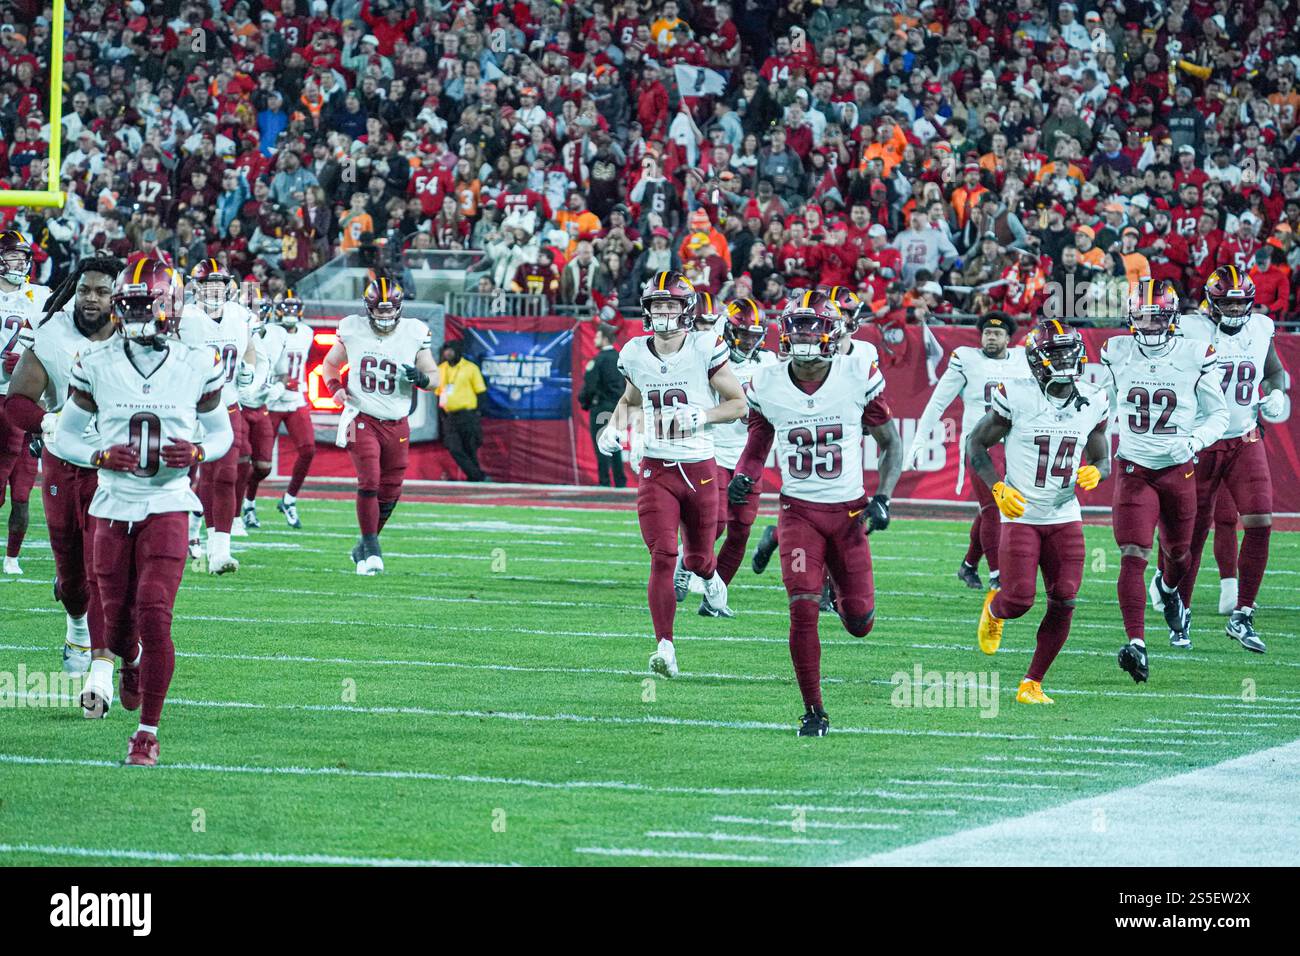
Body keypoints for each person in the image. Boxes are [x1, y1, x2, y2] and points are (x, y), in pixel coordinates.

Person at [58, 259, 233, 765]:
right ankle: (127, 661)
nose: (135, 315)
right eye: (128, 304)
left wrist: (198, 453)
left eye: (145, 304)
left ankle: (146, 733)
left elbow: (221, 433)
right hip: (112, 502)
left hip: (168, 502)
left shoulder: (197, 363)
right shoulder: (95, 362)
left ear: (170, 306)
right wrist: (97, 456)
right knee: (115, 627)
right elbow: (66, 434)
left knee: (155, 612)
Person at [727, 289, 902, 736]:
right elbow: (757, 444)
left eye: (815, 327)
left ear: (833, 333)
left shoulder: (857, 372)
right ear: (784, 333)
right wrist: (744, 475)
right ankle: (813, 710)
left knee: (860, 622)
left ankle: (839, 593)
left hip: (847, 515)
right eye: (798, 327)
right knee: (802, 606)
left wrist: (883, 496)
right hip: (799, 512)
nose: (805, 336)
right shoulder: (767, 380)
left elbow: (890, 444)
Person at [597, 271, 746, 677]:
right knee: (663, 556)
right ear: (647, 309)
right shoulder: (634, 352)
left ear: (686, 309)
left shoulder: (704, 346)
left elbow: (739, 405)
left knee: (697, 558)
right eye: (657, 305)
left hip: (699, 466)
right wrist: (614, 425)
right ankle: (665, 646)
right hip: (657, 467)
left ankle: (711, 577)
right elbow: (630, 399)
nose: (663, 312)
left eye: (671, 305)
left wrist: (703, 416)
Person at [965, 321, 1111, 704]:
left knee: (1065, 596)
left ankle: (1032, 682)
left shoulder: (1093, 399)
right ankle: (995, 610)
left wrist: (1099, 470)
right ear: (1037, 360)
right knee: (1019, 601)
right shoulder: (1016, 395)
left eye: (1070, 351)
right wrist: (997, 487)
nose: (1066, 360)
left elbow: (1102, 455)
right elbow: (975, 444)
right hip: (1021, 512)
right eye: (1057, 352)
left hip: (1064, 513)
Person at [1102, 277, 1229, 682]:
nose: (1150, 326)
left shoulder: (1195, 353)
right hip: (1134, 468)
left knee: (1178, 555)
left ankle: (1171, 590)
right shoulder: (1117, 352)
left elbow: (1220, 415)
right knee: (1132, 554)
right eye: (1142, 317)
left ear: (1172, 317)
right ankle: (1136, 642)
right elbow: (1102, 405)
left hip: (1178, 469)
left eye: (1157, 318)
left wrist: (1193, 441)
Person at [2, 257, 122, 673]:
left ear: (117, 296)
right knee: (72, 579)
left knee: (101, 569)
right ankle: (76, 626)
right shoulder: (53, 334)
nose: (91, 298)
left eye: (102, 291)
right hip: (63, 463)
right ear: (74, 289)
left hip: (114, 468)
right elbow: (17, 403)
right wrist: (48, 422)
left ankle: (106, 668)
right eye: (85, 289)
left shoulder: (134, 337)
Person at [1172, 267, 1287, 652]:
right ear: (1212, 303)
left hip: (1245, 437)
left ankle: (1243, 613)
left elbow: (1274, 371)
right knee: (1194, 531)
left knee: (1260, 521)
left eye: (1241, 302)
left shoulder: (1261, 327)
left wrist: (1273, 392)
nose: (1236, 310)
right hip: (1202, 440)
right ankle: (1181, 611)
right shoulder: (1190, 329)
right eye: (1228, 302)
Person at [905, 312, 1031, 593]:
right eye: (987, 333)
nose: (991, 337)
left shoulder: (1023, 359)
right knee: (995, 507)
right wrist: (918, 441)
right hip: (980, 447)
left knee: (993, 509)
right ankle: (998, 575)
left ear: (1008, 339)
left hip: (1014, 447)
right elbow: (938, 403)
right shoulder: (966, 359)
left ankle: (969, 565)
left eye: (997, 334)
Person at [320, 277, 437, 574]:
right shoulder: (353, 328)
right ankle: (372, 550)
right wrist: (335, 387)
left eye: (389, 311)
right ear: (368, 308)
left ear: (399, 308)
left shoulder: (414, 332)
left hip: (397, 421)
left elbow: (433, 376)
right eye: (379, 311)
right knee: (369, 479)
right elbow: (330, 365)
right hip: (361, 415)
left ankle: (364, 545)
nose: (384, 317)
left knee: (391, 490)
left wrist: (422, 379)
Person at [180, 259, 260, 574]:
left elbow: (250, 349)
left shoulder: (241, 315)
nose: (214, 290)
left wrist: (250, 372)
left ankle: (219, 552)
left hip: (226, 405)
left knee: (225, 475)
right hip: (188, 408)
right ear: (196, 287)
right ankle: (188, 535)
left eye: (219, 284)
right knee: (185, 478)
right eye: (207, 284)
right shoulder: (183, 317)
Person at [709, 297, 777, 591]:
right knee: (716, 523)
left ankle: (716, 596)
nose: (749, 341)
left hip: (748, 456)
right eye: (743, 334)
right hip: (714, 451)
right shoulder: (712, 356)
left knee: (740, 531)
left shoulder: (769, 362)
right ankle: (687, 564)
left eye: (753, 335)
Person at [0, 230, 52, 575]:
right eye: (12, 256)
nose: (19, 263)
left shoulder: (42, 295)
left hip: (25, 399)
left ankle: (12, 557)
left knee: (22, 489)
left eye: (22, 257)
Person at [261, 291, 317, 528]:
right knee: (260, 462)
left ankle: (289, 499)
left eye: (295, 309)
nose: (291, 314)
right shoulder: (270, 332)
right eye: (287, 309)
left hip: (296, 399)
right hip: (272, 399)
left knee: (308, 450)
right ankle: (249, 504)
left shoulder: (307, 332)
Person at [578, 322, 626, 488]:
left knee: (602, 446)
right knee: (615, 446)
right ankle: (620, 483)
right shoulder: (621, 358)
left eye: (597, 336)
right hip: (618, 408)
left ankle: (604, 483)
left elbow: (589, 387)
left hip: (601, 408)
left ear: (605, 339)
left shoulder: (598, 360)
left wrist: (584, 402)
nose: (594, 339)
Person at [435, 340, 488, 482]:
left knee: (470, 448)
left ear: (458, 351)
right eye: (445, 350)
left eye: (451, 350)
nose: (448, 353)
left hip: (468, 414)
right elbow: (439, 393)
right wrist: (441, 414)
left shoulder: (470, 368)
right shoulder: (440, 369)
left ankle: (474, 479)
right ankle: (478, 476)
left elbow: (481, 392)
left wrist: (477, 414)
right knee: (454, 448)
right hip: (449, 416)